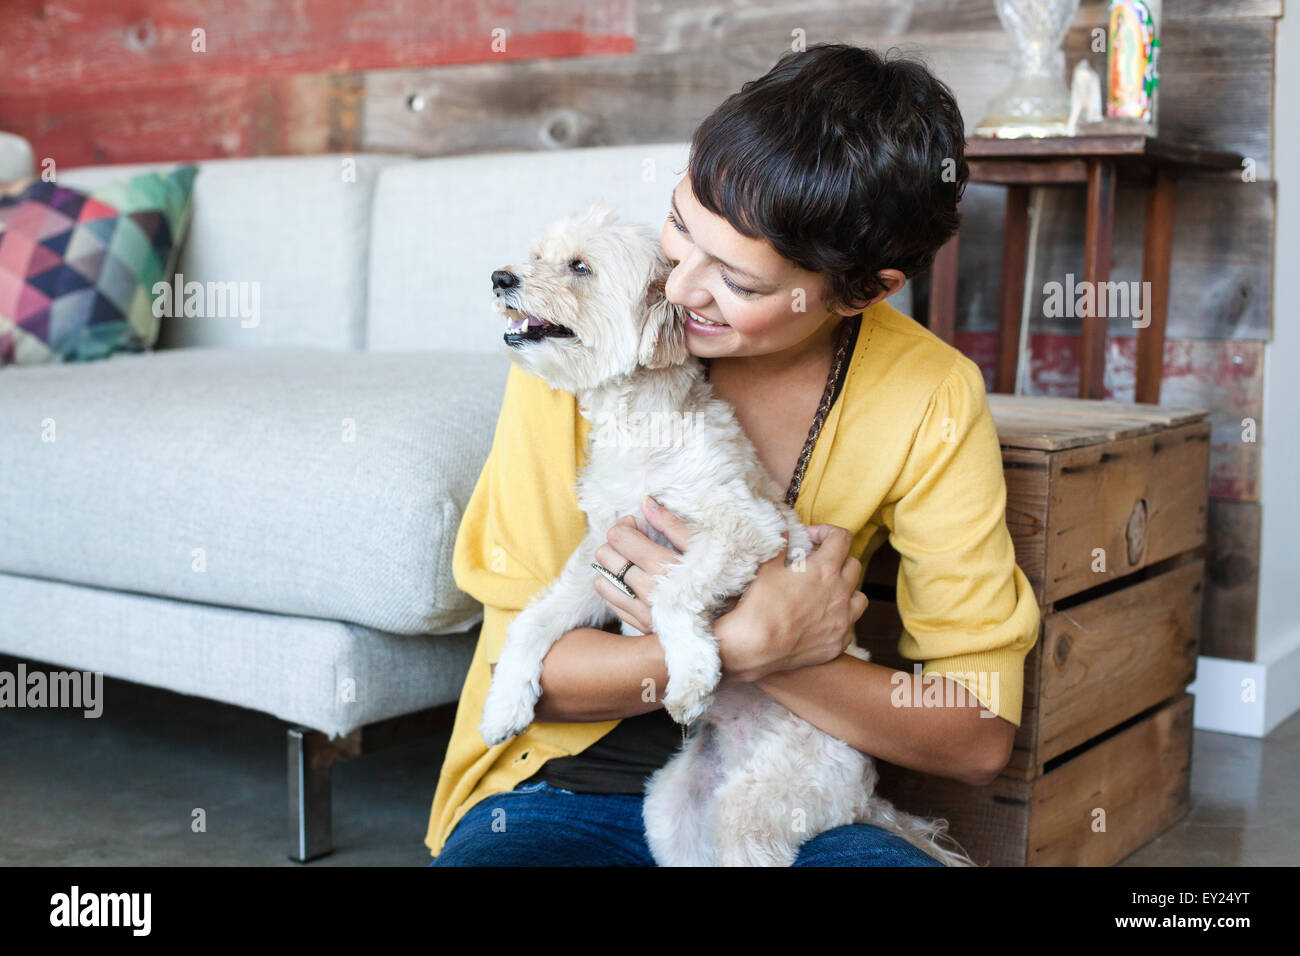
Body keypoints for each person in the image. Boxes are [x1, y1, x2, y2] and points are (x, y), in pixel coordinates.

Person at [426, 42, 1041, 867]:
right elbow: (532, 670)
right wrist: (750, 645)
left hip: (792, 796)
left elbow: (973, 734)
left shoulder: (929, 395)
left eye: (741, 284)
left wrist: (786, 659)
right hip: (567, 782)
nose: (677, 290)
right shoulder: (580, 347)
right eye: (683, 225)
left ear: (866, 290)